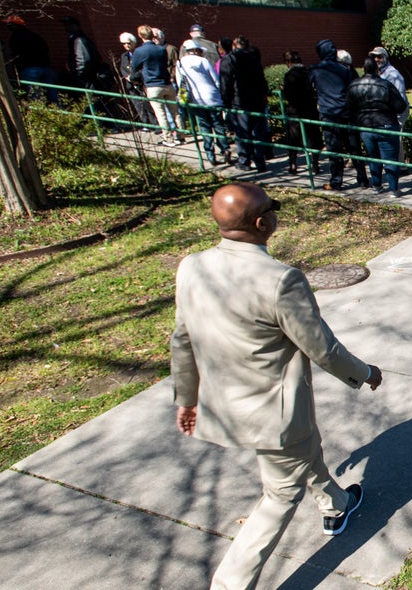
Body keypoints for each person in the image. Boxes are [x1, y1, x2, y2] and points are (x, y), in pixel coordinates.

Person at [171, 181, 382, 590]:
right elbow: (322, 349)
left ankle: (337, 504)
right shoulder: (281, 279)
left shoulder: (192, 266)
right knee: (281, 495)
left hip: (225, 407)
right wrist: (366, 373)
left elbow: (182, 338)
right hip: (275, 415)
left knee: (302, 456)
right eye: (273, 209)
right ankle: (230, 584)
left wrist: (187, 397)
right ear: (263, 222)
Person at [310, 39, 368, 190]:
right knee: (354, 148)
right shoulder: (344, 70)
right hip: (347, 113)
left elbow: (307, 89)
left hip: (329, 114)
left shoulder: (315, 70)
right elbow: (353, 89)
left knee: (334, 150)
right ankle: (363, 179)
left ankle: (336, 181)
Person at [347, 55, 408, 196]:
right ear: (377, 69)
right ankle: (394, 189)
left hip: (365, 126)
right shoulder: (385, 85)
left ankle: (377, 186)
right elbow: (400, 106)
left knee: (373, 157)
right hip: (386, 124)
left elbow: (349, 107)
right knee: (390, 159)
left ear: (363, 68)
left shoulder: (354, 85)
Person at [219, 35, 271, 172]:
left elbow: (225, 83)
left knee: (242, 133)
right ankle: (260, 162)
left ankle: (244, 161)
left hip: (240, 101)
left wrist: (226, 101)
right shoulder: (253, 57)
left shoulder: (229, 60)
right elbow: (261, 78)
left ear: (234, 46)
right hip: (257, 100)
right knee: (257, 133)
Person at [177, 40, 230, 166]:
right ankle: (225, 149)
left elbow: (181, 84)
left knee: (204, 128)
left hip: (197, 100)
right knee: (218, 125)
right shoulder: (203, 61)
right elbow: (216, 80)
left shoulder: (180, 64)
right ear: (197, 50)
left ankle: (210, 155)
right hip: (212, 97)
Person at [132, 25, 180, 146]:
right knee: (175, 112)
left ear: (140, 36)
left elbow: (135, 66)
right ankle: (180, 136)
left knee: (161, 113)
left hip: (152, 85)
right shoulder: (161, 49)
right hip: (166, 82)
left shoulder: (139, 51)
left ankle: (168, 139)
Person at [282, 51, 321, 174]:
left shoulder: (289, 75)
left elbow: (288, 95)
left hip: (295, 110)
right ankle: (315, 164)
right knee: (313, 137)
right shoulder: (309, 73)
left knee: (293, 138)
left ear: (289, 62)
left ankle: (293, 164)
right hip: (310, 109)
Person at [2, 15, 57, 102]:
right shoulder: (35, 35)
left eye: (10, 25)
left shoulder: (15, 38)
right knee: (52, 93)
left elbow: (16, 55)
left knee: (36, 95)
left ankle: (40, 111)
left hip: (29, 69)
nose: (8, 27)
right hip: (45, 66)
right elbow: (46, 49)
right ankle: (57, 108)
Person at [117, 32, 157, 130]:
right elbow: (123, 68)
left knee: (147, 104)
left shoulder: (139, 53)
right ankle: (145, 124)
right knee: (138, 105)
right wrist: (128, 77)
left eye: (128, 43)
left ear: (134, 42)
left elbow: (143, 68)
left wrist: (134, 78)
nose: (126, 45)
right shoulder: (124, 56)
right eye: (124, 43)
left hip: (141, 83)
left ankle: (155, 124)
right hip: (131, 85)